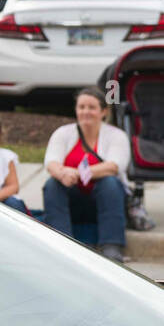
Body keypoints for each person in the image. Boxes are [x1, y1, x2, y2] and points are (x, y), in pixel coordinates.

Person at [42, 86, 131, 262]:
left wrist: (78, 171)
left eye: (91, 107)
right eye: (81, 107)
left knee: (110, 182)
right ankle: (61, 244)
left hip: (103, 201)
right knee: (52, 184)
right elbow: (51, 162)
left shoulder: (117, 136)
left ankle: (111, 246)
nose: (86, 112)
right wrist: (62, 174)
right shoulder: (63, 133)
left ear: (103, 111)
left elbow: (114, 166)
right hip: (73, 198)